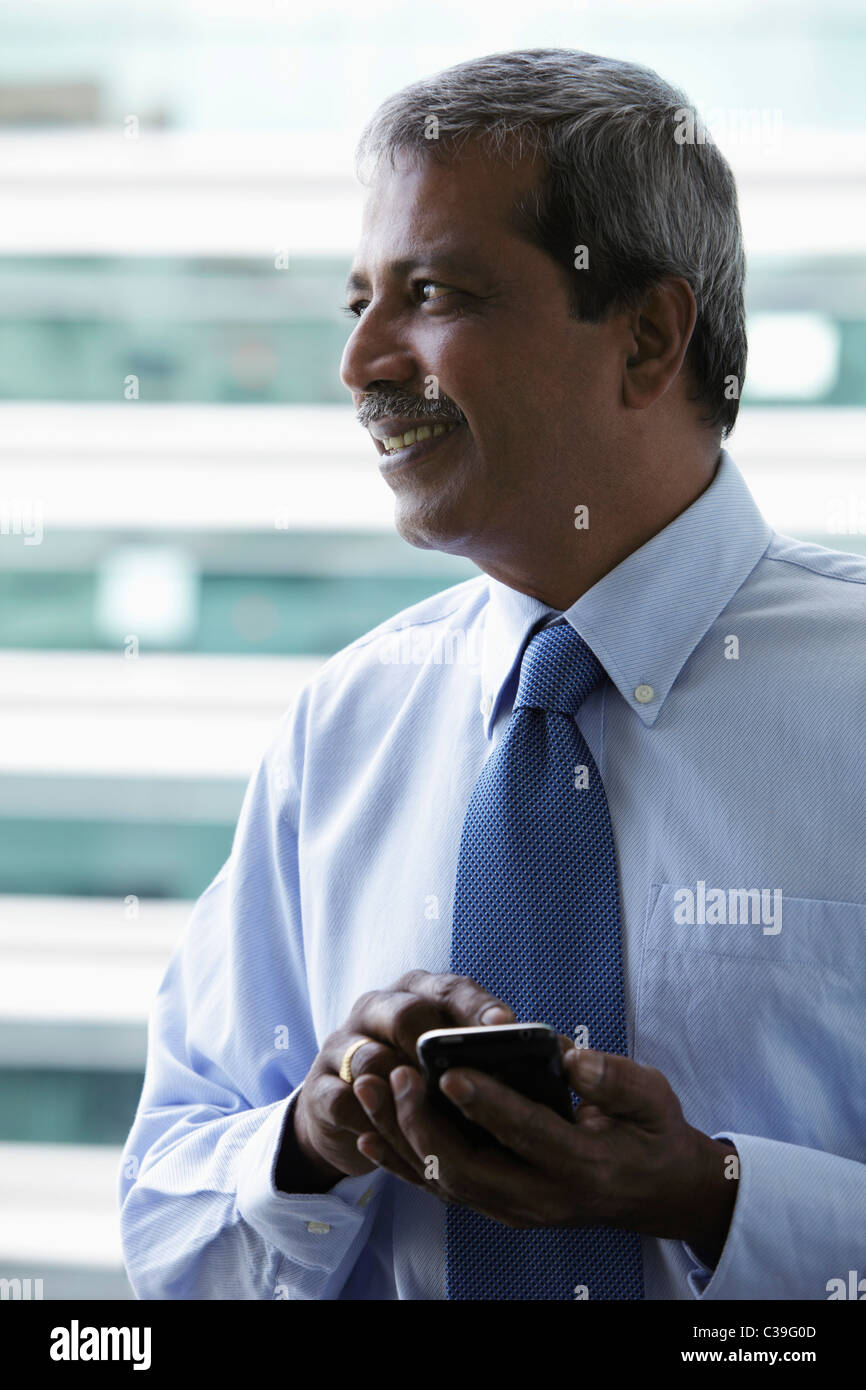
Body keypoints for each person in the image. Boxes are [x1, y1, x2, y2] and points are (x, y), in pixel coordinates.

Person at [119, 48, 865, 1300]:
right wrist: (308, 1142)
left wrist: (712, 1192)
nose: (359, 365)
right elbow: (165, 1234)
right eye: (357, 300)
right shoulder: (341, 727)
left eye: (433, 293)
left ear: (644, 336)